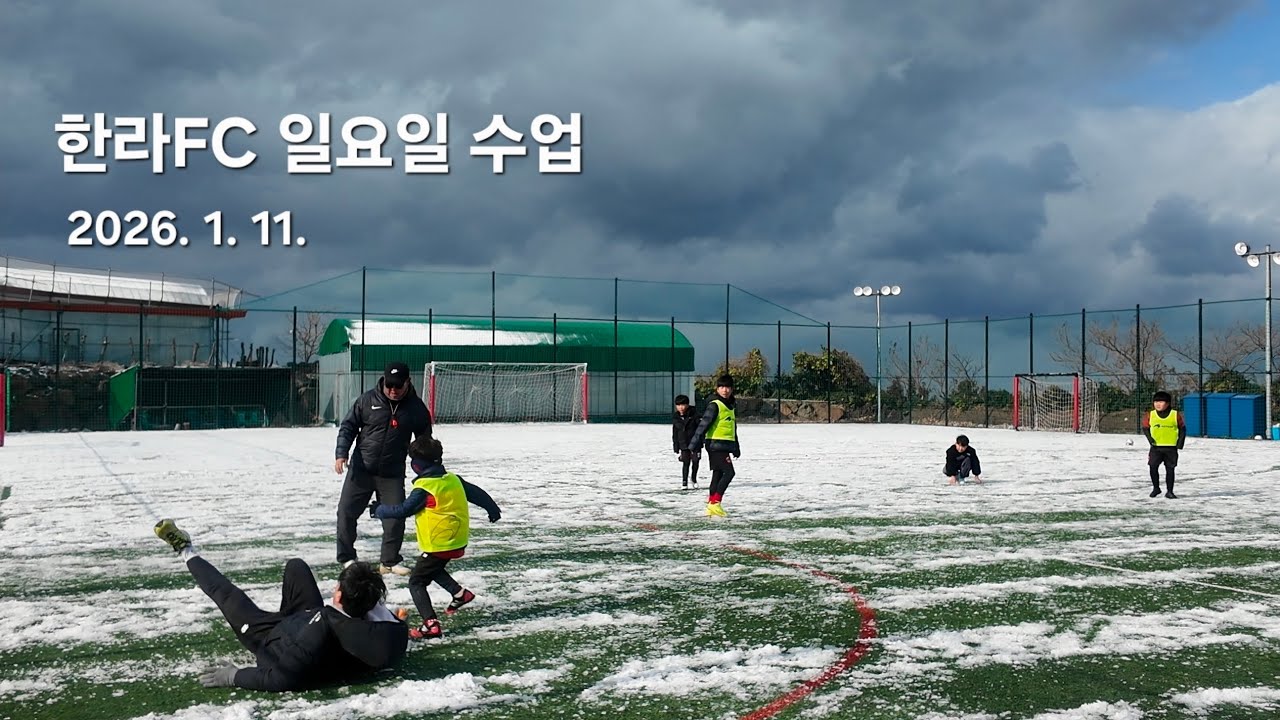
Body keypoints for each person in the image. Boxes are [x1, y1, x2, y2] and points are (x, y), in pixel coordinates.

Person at [152, 518, 408, 691]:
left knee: (225, 593)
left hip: (269, 640)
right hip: (304, 617)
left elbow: (280, 678)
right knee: (296, 566)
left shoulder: (319, 634)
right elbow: (392, 630)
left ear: (338, 596)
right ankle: (186, 549)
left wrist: (234, 676)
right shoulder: (385, 626)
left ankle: (185, 549)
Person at [370, 436, 502, 640]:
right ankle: (459, 594)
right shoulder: (453, 479)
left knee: (416, 581)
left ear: (416, 465)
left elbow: (403, 510)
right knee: (432, 568)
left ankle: (430, 624)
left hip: (438, 544)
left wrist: (379, 510)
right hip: (457, 541)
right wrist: (492, 509)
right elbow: (477, 493)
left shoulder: (425, 488)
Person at [335, 361, 433, 576]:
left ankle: (389, 561)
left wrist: (427, 469)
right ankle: (347, 558)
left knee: (395, 518)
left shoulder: (416, 409)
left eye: (398, 386)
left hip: (392, 473)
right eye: (390, 385)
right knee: (345, 513)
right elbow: (348, 426)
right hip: (361, 469)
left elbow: (424, 443)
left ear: (407, 382)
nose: (393, 390)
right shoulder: (367, 400)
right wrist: (341, 453)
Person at [688, 374, 740, 517]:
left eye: (728, 387)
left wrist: (736, 447)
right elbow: (703, 425)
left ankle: (712, 505)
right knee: (729, 473)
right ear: (717, 389)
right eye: (722, 387)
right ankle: (716, 502)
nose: (725, 390)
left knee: (717, 474)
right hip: (715, 445)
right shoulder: (714, 405)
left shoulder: (731, 406)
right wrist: (692, 446)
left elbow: (732, 428)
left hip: (724, 445)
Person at [1143, 390, 1185, 499]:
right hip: (1156, 447)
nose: (1158, 404)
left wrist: (1180, 443)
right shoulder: (1150, 414)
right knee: (1152, 466)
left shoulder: (1175, 415)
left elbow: (1182, 428)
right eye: (1156, 401)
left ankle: (1170, 491)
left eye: (1161, 402)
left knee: (1170, 469)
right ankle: (1156, 488)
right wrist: (1150, 439)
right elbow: (1145, 428)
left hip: (1171, 448)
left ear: (1168, 403)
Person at [672, 394, 701, 489]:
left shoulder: (694, 415)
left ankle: (694, 478)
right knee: (686, 462)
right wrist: (676, 446)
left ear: (687, 405)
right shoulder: (676, 417)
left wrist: (701, 441)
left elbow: (700, 429)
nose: (681, 407)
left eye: (683, 405)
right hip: (683, 443)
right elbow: (675, 432)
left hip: (695, 443)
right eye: (679, 405)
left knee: (696, 461)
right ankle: (684, 482)